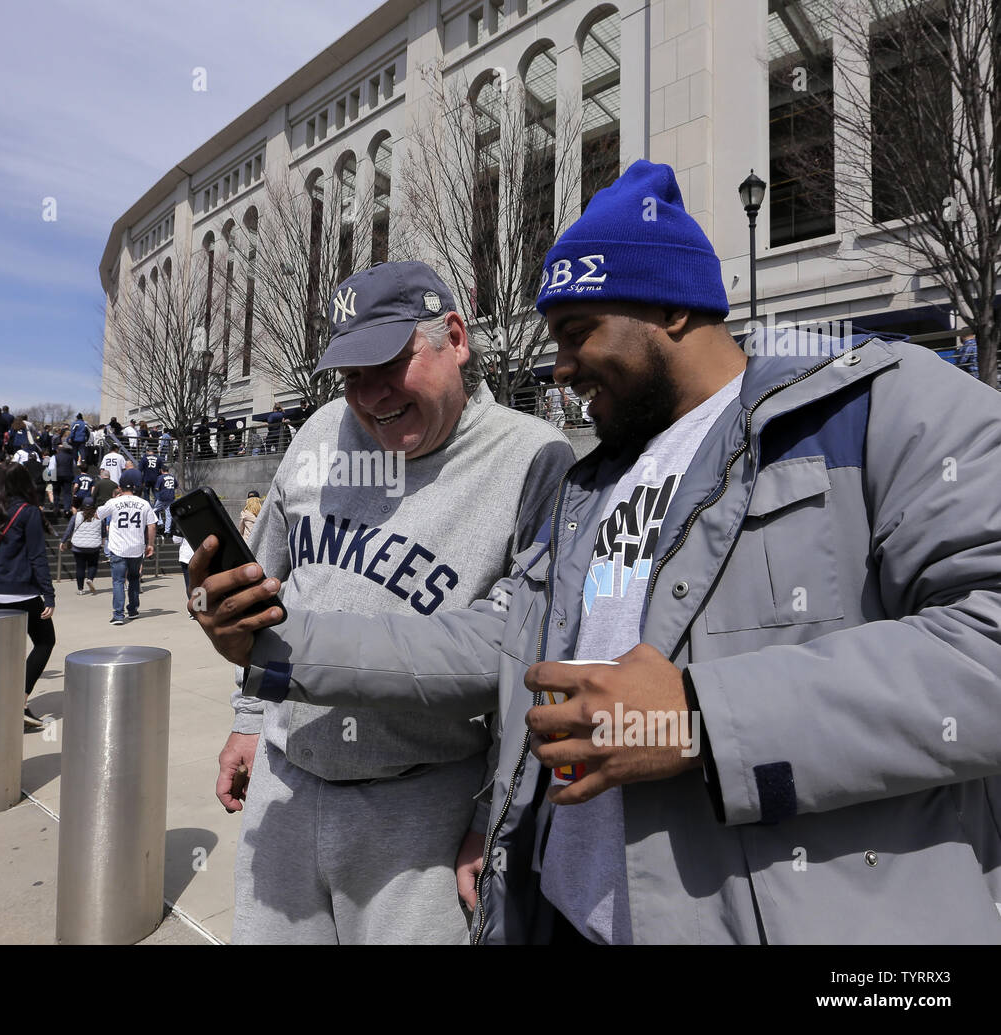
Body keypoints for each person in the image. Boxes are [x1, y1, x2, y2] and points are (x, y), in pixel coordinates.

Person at [191, 160, 1001, 945]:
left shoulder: (879, 406)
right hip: (564, 913)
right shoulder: (587, 490)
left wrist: (699, 718)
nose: (562, 366)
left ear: (672, 308)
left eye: (578, 332)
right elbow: (489, 642)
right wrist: (274, 644)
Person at [202, 260, 573, 945]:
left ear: (455, 337)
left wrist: (492, 814)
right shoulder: (317, 432)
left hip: (422, 813)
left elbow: (531, 668)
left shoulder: (532, 456)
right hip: (285, 787)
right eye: (350, 376)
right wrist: (250, 719)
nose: (369, 396)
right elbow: (263, 581)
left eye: (386, 363)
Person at [0, 463, 56, 728]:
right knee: (44, 641)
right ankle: (19, 699)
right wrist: (48, 594)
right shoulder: (27, 512)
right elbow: (37, 557)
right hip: (19, 591)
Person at [96, 469, 155, 625]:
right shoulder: (144, 504)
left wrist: (114, 498)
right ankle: (133, 610)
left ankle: (118, 615)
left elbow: (97, 515)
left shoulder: (114, 502)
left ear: (121, 487)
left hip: (118, 548)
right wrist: (150, 544)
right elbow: (152, 525)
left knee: (118, 581)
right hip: (136, 548)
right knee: (134, 579)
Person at [61, 496, 103, 595]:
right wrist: (103, 542)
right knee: (93, 565)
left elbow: (69, 530)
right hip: (94, 546)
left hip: (78, 546)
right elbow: (103, 532)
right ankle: (90, 579)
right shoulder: (99, 516)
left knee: (80, 567)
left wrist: (63, 541)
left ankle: (80, 589)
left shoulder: (76, 516)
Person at [152, 464, 177, 534]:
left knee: (153, 510)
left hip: (162, 498)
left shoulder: (160, 477)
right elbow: (176, 486)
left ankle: (160, 522)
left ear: (162, 471)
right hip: (171, 498)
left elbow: (156, 488)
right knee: (168, 515)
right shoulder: (172, 477)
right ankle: (167, 531)